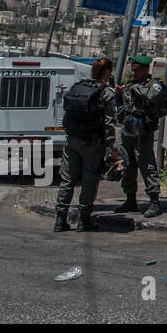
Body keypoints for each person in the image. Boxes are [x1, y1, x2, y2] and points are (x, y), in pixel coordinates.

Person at [54, 56, 118, 232]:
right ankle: (84, 219)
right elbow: (109, 123)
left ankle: (60, 219)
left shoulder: (79, 86)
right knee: (90, 180)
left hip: (72, 139)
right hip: (93, 143)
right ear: (106, 73)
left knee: (67, 179)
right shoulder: (106, 92)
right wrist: (113, 147)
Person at [115, 54, 167, 218]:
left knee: (147, 165)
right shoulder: (131, 85)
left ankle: (154, 201)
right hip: (128, 131)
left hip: (143, 131)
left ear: (146, 69)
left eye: (137, 70)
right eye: (133, 70)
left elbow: (152, 97)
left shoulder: (155, 85)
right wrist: (119, 94)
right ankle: (130, 199)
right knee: (128, 165)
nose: (134, 73)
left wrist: (134, 89)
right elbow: (122, 106)